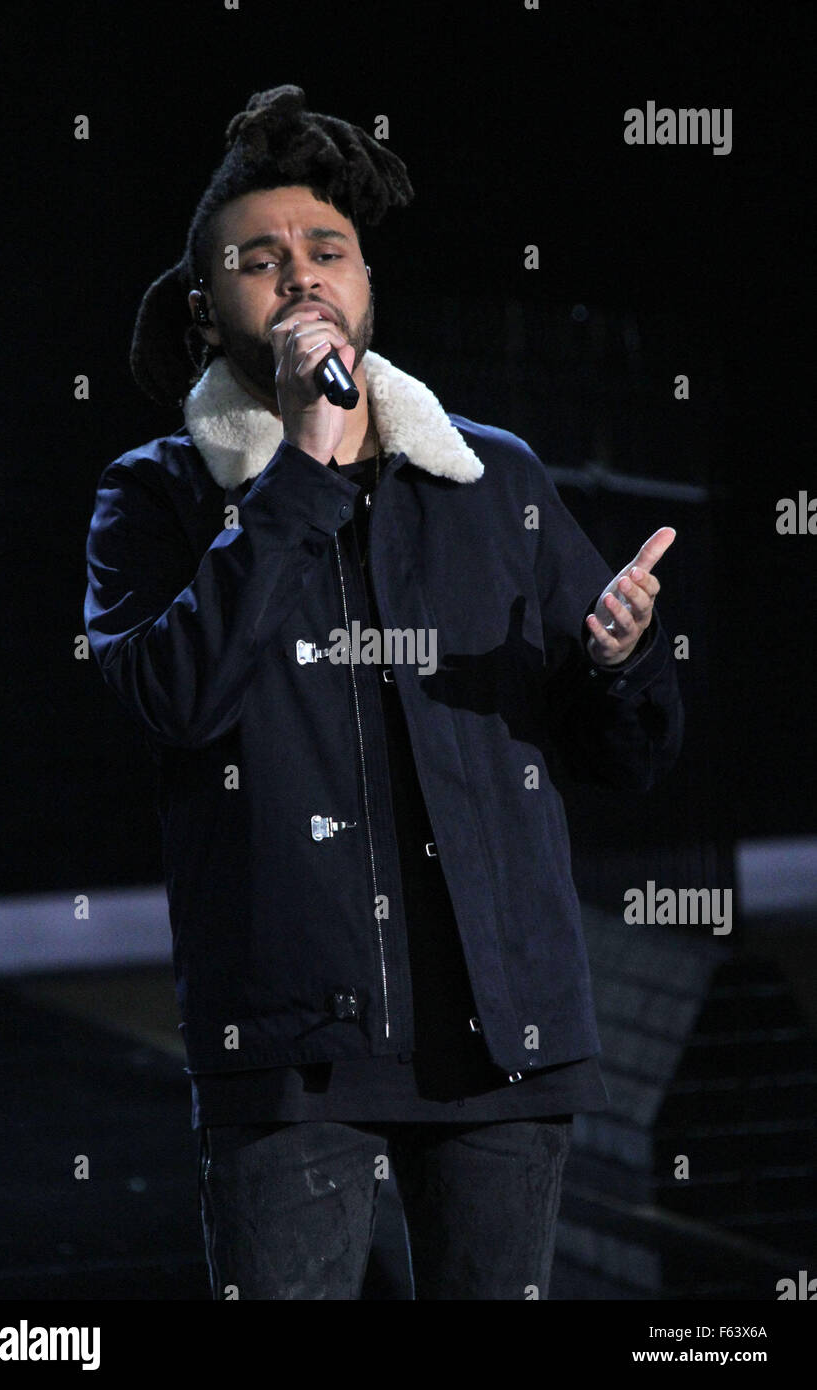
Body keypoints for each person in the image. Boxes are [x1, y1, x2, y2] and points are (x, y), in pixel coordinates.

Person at [84, 84, 684, 1300]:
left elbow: (622, 753)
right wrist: (297, 469)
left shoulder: (488, 476)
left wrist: (622, 663)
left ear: (366, 286)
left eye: (327, 252)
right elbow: (171, 697)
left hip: (502, 1041)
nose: (300, 278)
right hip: (292, 1053)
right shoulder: (155, 495)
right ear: (209, 314)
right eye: (260, 261)